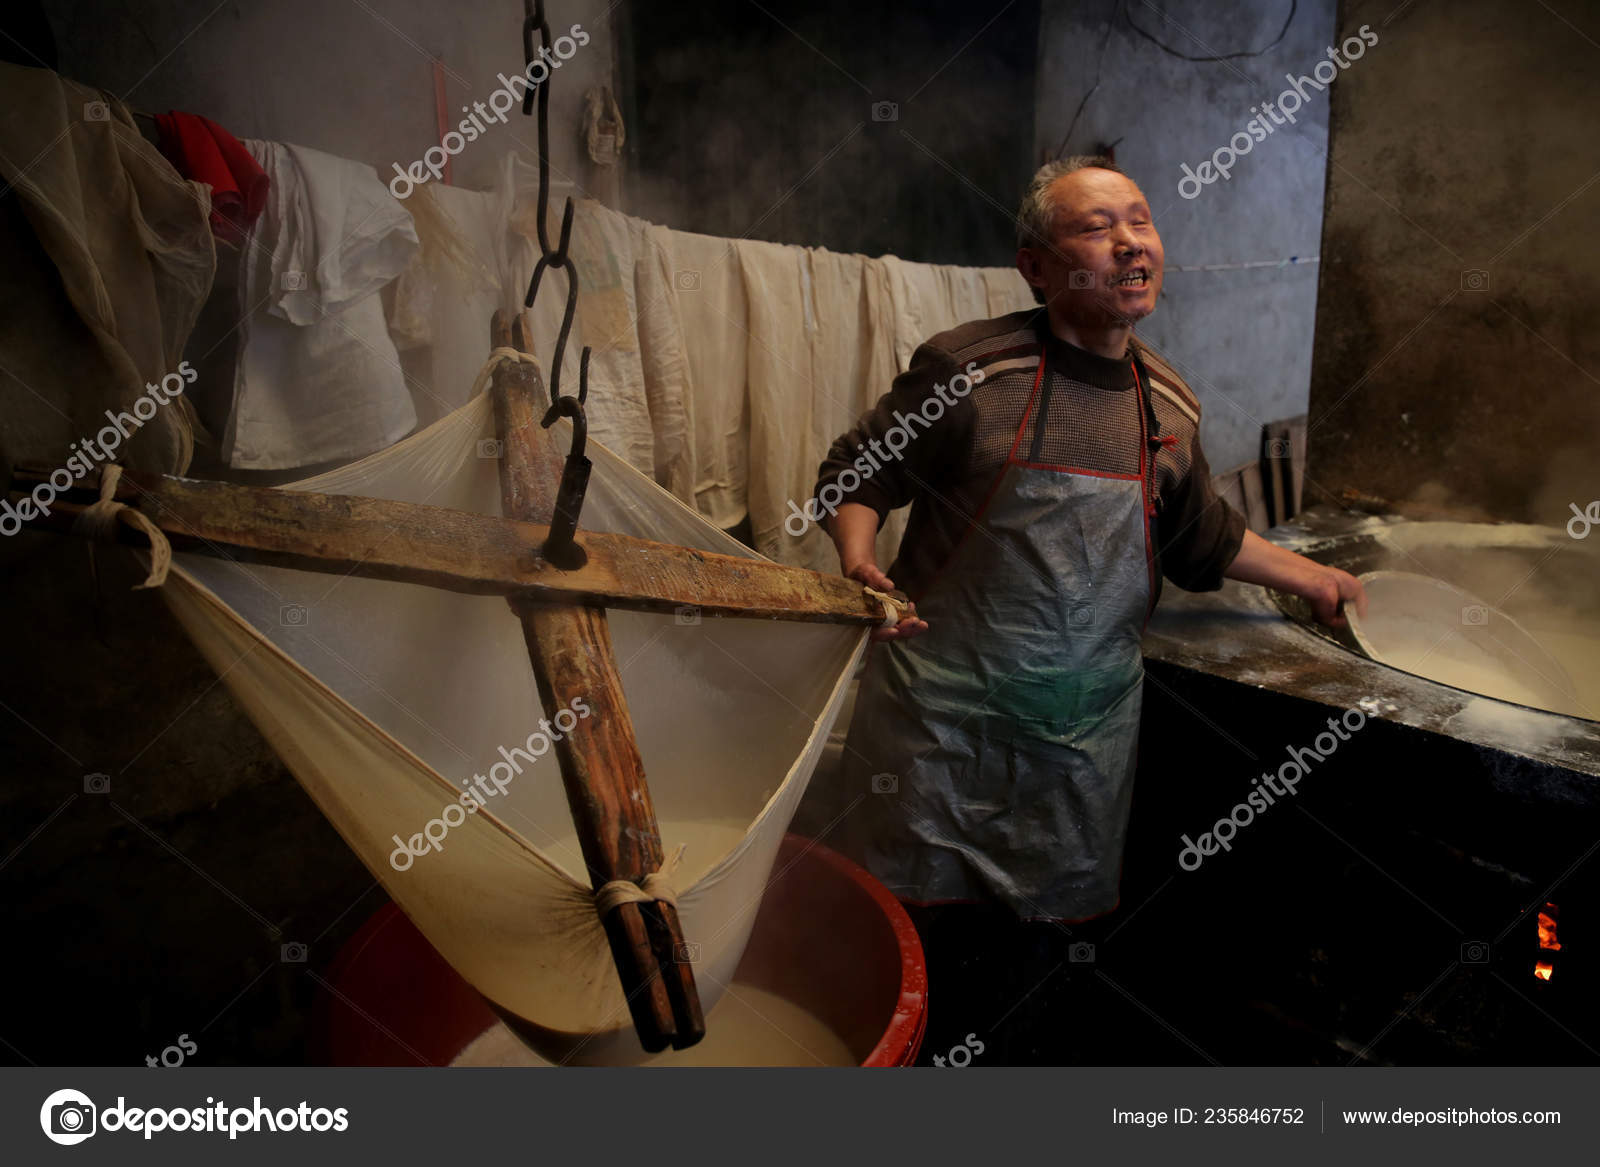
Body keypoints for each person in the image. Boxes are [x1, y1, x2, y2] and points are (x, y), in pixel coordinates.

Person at [810, 156, 1365, 1060]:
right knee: (903, 945)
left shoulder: (1171, 409)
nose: (1130, 244)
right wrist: (858, 559)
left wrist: (1311, 578)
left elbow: (1203, 541)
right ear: (1036, 266)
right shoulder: (970, 372)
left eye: (1140, 222)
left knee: (1029, 965)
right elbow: (858, 471)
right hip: (936, 735)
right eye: (1096, 228)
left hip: (1076, 753)